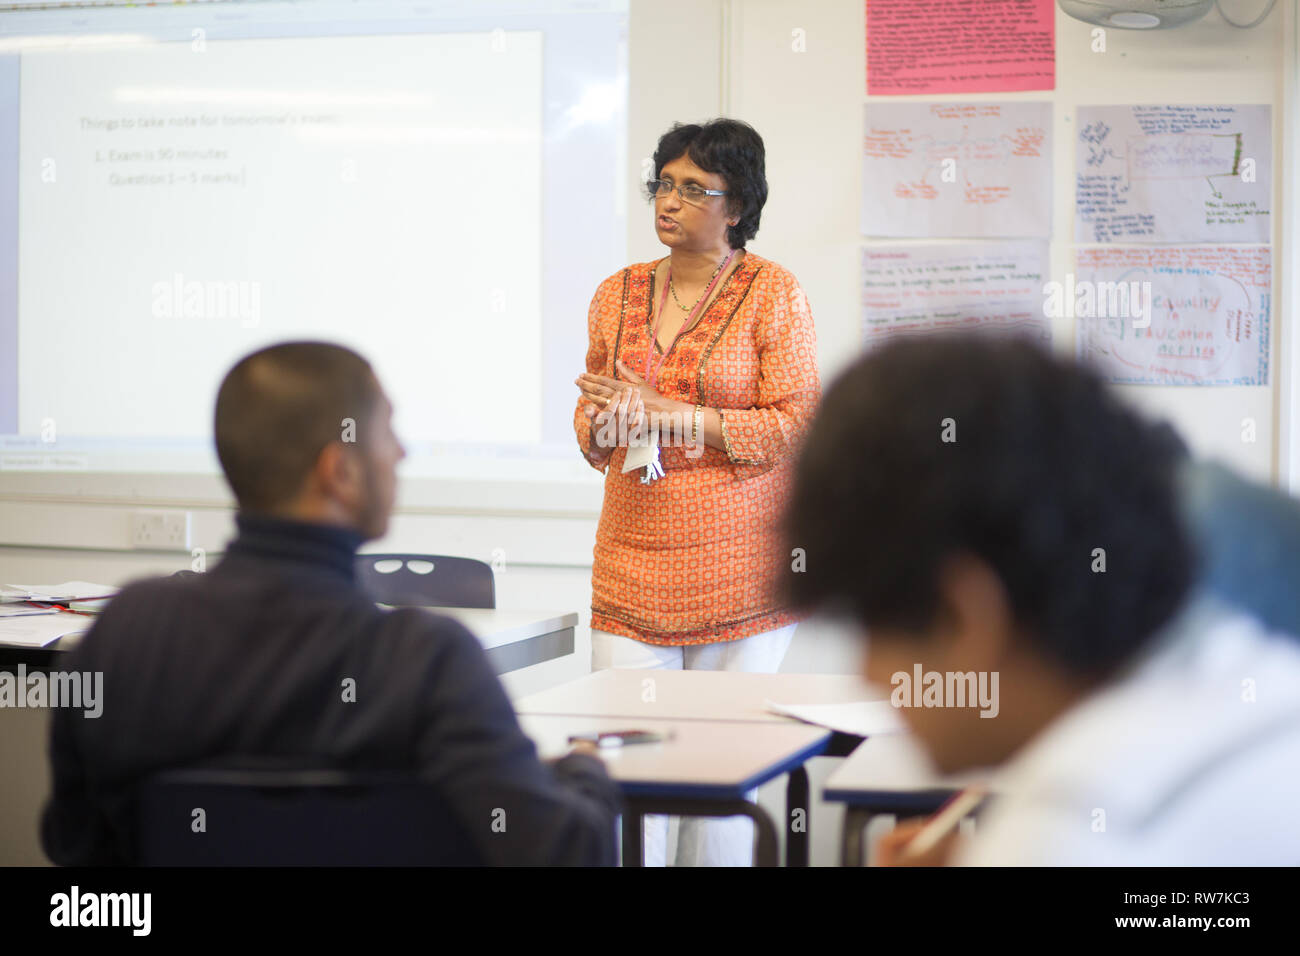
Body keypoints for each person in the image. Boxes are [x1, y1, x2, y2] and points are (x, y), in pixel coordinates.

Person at [42, 342, 621, 866]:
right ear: (338, 470)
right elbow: (567, 853)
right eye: (387, 431)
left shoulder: (126, 636)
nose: (401, 453)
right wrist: (585, 772)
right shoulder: (426, 662)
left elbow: (74, 844)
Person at [783, 335, 1300, 865]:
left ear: (963, 616)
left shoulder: (1073, 833)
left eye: (868, 627)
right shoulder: (1260, 679)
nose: (866, 674)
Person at [572, 118, 820, 866]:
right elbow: (587, 423)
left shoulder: (773, 293)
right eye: (663, 184)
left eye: (692, 188)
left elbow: (796, 422)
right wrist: (608, 424)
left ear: (737, 205)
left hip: (740, 570)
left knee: (717, 787)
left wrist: (675, 414)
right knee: (624, 776)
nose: (668, 202)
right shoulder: (615, 294)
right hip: (632, 563)